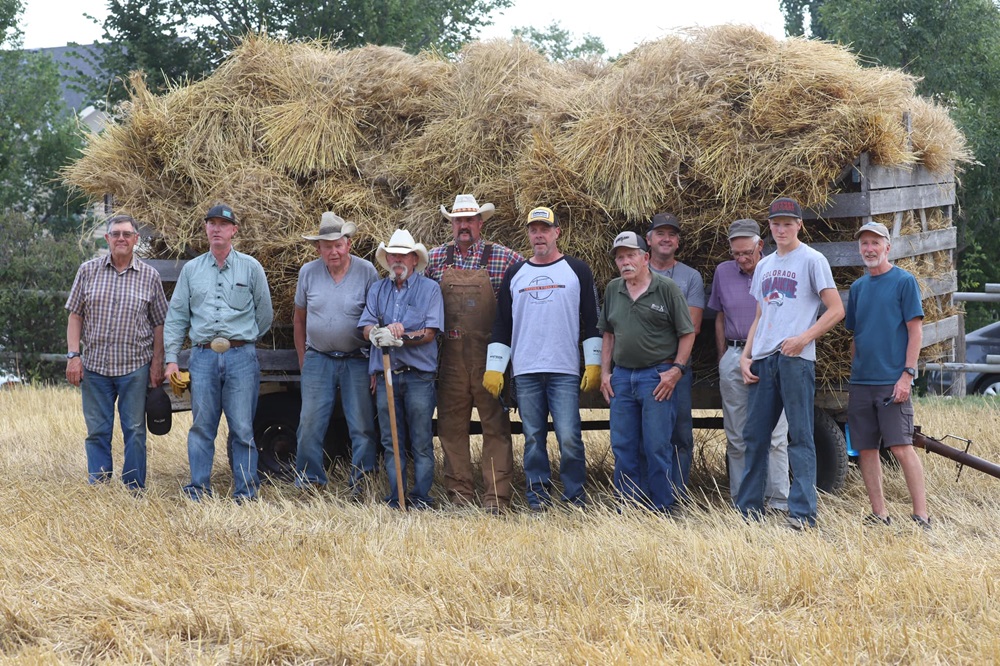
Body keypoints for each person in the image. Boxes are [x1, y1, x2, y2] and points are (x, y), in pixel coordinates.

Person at [736, 197, 844, 530]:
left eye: (788, 223)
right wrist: (746, 354)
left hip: (795, 360)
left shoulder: (812, 260)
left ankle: (802, 513)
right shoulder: (765, 265)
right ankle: (749, 511)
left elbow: (836, 309)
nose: (781, 229)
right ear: (769, 228)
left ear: (799, 225)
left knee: (800, 436)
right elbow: (759, 314)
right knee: (754, 437)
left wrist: (803, 338)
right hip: (764, 360)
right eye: (776, 224)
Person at [484, 206, 601, 510]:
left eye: (545, 229)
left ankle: (575, 497)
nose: (539, 235)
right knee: (534, 438)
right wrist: (495, 368)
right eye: (533, 230)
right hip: (526, 370)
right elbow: (502, 325)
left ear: (557, 233)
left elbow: (592, 320)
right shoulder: (515, 274)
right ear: (528, 234)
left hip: (563, 370)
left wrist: (593, 363)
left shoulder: (577, 270)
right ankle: (537, 498)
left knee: (569, 438)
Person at [164, 203, 273, 502]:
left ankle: (246, 493)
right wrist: (172, 359)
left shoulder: (250, 267)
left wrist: (243, 340)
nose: (216, 229)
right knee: (202, 426)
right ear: (205, 229)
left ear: (234, 230)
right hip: (202, 358)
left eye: (222, 225)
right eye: (211, 224)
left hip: (241, 358)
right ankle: (198, 489)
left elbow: (264, 314)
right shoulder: (192, 270)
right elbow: (177, 317)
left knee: (241, 427)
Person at [426, 194, 523, 512]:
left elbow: (526, 296)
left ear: (481, 222)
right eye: (458, 220)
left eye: (469, 220)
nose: (464, 225)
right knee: (451, 428)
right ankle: (460, 495)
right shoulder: (434, 259)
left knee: (496, 428)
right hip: (450, 358)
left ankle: (497, 498)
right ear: (451, 224)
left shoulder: (506, 259)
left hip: (489, 358)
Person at [65, 214, 168, 491]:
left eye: (126, 234)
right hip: (95, 367)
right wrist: (74, 355)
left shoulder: (150, 276)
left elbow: (160, 322)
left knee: (134, 430)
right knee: (97, 431)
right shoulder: (87, 271)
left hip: (134, 367)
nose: (121, 238)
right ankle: (98, 483)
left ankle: (134, 486)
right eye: (115, 233)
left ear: (135, 239)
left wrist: (157, 362)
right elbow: (75, 315)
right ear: (107, 238)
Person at [598, 231, 695, 512]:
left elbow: (687, 333)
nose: (625, 262)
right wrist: (605, 373)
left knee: (656, 445)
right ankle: (629, 505)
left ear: (645, 258)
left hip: (657, 376)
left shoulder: (666, 289)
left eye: (630, 255)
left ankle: (663, 506)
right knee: (623, 445)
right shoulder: (613, 289)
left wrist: (676, 370)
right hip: (622, 378)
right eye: (619, 257)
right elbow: (608, 335)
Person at [846, 221, 930, 529]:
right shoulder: (857, 288)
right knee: (866, 449)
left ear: (887, 247)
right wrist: (854, 375)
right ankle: (879, 514)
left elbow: (915, 331)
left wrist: (907, 375)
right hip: (861, 382)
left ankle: (921, 515)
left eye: (875, 243)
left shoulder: (904, 282)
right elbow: (855, 335)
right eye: (864, 244)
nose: (869, 249)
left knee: (900, 447)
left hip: (892, 380)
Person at [293, 212, 378, 495]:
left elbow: (377, 319)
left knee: (362, 425)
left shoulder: (367, 271)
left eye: (338, 244)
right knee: (309, 424)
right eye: (326, 246)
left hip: (356, 358)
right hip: (318, 357)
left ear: (348, 244)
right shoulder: (308, 272)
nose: (333, 251)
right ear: (318, 248)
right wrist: (304, 361)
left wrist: (374, 365)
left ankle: (362, 482)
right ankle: (310, 481)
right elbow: (299, 320)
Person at [708, 219, 790, 512]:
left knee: (776, 433)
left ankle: (779, 500)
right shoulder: (722, 272)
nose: (742, 259)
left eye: (747, 253)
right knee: (737, 433)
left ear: (761, 247)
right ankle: (743, 502)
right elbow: (718, 315)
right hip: (734, 352)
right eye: (736, 254)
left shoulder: (776, 270)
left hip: (770, 355)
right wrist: (723, 356)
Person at [359, 229, 444, 510]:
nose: (398, 260)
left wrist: (401, 336)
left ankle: (421, 496)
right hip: (387, 376)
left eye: (403, 255)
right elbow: (365, 325)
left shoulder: (430, 290)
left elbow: (431, 333)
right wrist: (377, 333)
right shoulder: (377, 290)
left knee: (420, 439)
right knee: (390, 440)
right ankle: (398, 497)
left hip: (419, 376)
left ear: (413, 258)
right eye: (393, 255)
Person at [646, 212, 704, 494]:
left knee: (680, 434)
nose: (666, 238)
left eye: (671, 234)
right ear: (649, 240)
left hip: (678, 367)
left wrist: (676, 366)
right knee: (649, 435)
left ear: (678, 242)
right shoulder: (635, 269)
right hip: (643, 369)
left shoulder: (690, 277)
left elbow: (692, 325)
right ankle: (650, 491)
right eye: (660, 233)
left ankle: (677, 492)